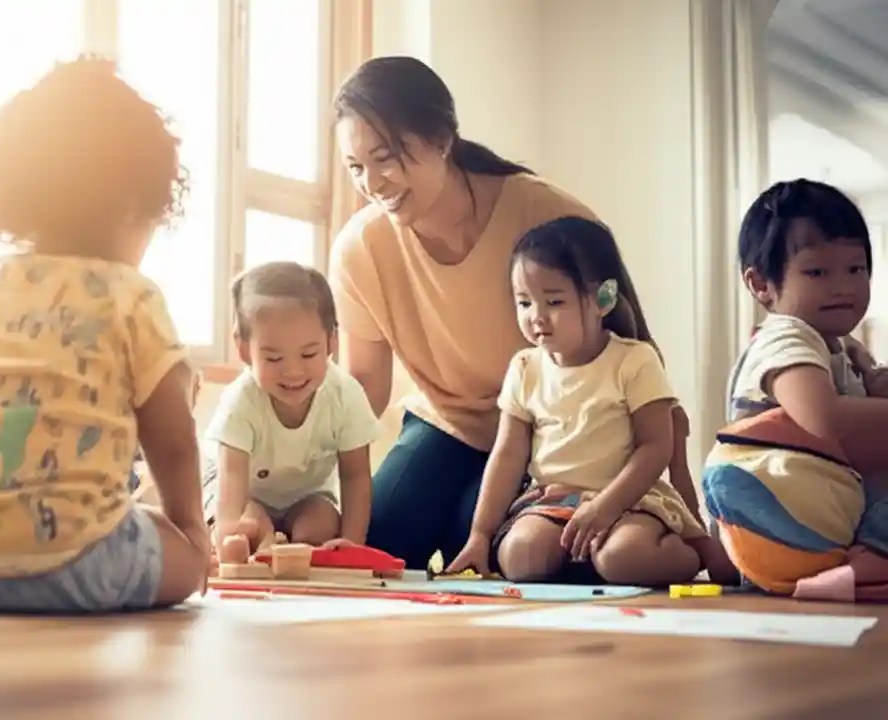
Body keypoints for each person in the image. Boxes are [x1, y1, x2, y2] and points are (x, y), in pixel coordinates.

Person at [0, 57, 208, 614]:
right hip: (71, 561)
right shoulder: (131, 294)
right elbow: (173, 444)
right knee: (170, 545)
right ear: (135, 205)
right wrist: (193, 537)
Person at [328, 56, 604, 570]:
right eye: (354, 167)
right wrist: (298, 452)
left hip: (544, 427)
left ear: (442, 138)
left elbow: (624, 350)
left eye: (385, 157)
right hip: (445, 424)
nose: (372, 182)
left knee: (477, 538)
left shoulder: (548, 217)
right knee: (377, 540)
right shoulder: (360, 250)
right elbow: (364, 383)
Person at [445, 218, 732, 585]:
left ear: (604, 299)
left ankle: (681, 552)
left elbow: (655, 447)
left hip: (628, 504)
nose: (536, 317)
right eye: (524, 302)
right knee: (522, 556)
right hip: (552, 503)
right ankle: (583, 559)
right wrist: (480, 536)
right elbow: (507, 456)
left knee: (624, 558)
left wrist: (604, 507)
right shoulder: (524, 367)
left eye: (554, 301)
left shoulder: (635, 360)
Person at [704, 179, 888, 592]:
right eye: (817, 271)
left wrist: (873, 380)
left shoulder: (832, 346)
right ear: (760, 285)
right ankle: (867, 567)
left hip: (803, 514)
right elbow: (823, 416)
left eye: (855, 269)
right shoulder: (787, 336)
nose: (842, 285)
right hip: (787, 514)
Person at [205, 262, 380, 557]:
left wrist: (352, 543)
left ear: (331, 342)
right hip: (244, 495)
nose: (293, 371)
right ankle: (265, 543)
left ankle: (286, 549)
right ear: (245, 350)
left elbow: (356, 476)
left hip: (307, 497)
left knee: (319, 530)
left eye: (308, 354)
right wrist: (228, 536)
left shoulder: (345, 394)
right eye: (274, 358)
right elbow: (231, 478)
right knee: (249, 528)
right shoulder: (241, 400)